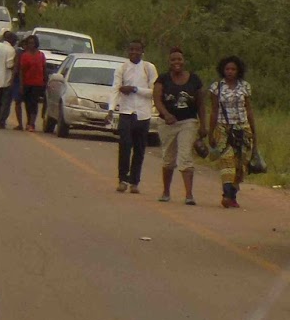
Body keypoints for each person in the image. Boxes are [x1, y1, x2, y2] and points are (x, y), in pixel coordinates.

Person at [207, 56, 258, 209]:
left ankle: (232, 195)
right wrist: (211, 132)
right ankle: (227, 195)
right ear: (222, 70)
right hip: (223, 128)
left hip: (242, 128)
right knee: (227, 161)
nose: (230, 72)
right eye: (227, 69)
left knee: (241, 164)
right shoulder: (216, 87)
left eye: (233, 69)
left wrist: (253, 131)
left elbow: (248, 109)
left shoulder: (245, 86)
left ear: (238, 70)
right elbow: (214, 110)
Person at [154, 47, 202, 206]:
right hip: (167, 124)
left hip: (188, 122)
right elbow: (157, 100)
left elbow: (201, 104)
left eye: (179, 59)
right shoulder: (162, 79)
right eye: (173, 59)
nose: (177, 62)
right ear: (169, 62)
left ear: (184, 61)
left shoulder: (194, 79)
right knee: (168, 158)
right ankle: (166, 191)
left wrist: (203, 125)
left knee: (185, 157)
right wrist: (166, 114)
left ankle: (189, 195)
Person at [110, 40, 157, 194]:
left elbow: (154, 91)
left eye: (137, 50)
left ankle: (134, 182)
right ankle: (122, 179)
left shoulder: (148, 68)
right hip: (126, 112)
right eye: (131, 49)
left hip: (143, 114)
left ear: (142, 52)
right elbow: (115, 89)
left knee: (139, 148)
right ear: (127, 51)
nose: (134, 53)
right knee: (125, 145)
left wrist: (135, 89)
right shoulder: (122, 68)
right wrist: (111, 109)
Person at [15, 34, 47, 130]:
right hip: (27, 83)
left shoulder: (41, 55)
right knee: (28, 103)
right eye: (29, 43)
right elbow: (21, 71)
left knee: (34, 103)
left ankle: (32, 124)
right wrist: (21, 85)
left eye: (32, 43)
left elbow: (44, 69)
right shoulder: (25, 56)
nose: (31, 45)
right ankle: (29, 122)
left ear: (36, 44)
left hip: (37, 83)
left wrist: (45, 81)